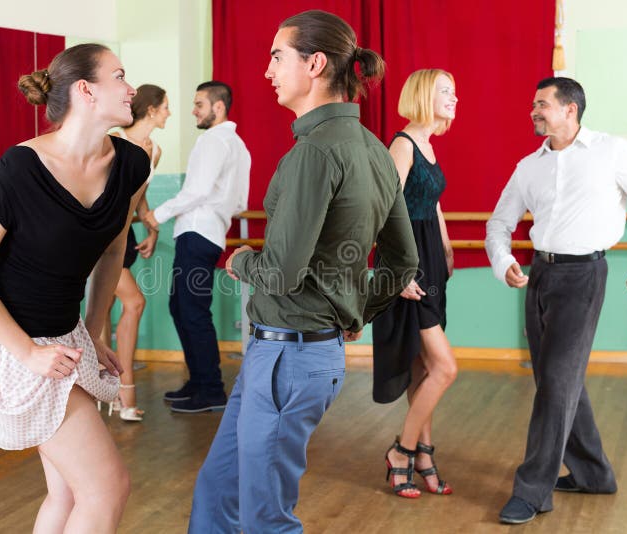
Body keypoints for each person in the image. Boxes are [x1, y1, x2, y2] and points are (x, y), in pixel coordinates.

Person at [188, 10, 419, 532]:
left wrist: (241, 260)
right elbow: (404, 262)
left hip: (287, 359)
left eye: (276, 56)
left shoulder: (314, 152)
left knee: (266, 519)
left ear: (315, 63)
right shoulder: (376, 151)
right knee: (218, 492)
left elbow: (281, 271)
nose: (267, 70)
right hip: (289, 355)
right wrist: (357, 308)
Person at [0, 43, 149, 532]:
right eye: (119, 76)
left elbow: (110, 252)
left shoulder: (130, 163)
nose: (131, 88)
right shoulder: (19, 169)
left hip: (66, 337)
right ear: (85, 90)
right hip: (10, 346)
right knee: (106, 487)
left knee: (66, 492)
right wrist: (28, 353)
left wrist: (95, 332)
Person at [486, 77, 627, 525]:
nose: (533, 111)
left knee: (556, 381)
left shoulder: (612, 151)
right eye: (533, 104)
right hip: (539, 276)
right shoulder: (528, 166)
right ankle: (593, 474)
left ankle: (532, 491)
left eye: (542, 104)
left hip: (584, 275)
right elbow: (499, 222)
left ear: (570, 109)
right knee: (557, 380)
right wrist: (502, 262)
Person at [371, 69, 458, 498]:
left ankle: (424, 454)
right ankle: (401, 451)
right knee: (445, 367)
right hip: (409, 264)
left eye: (454, 92)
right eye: (446, 91)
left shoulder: (428, 144)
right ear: (424, 95)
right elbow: (385, 209)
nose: (454, 98)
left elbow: (430, 203)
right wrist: (397, 271)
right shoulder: (402, 145)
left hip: (430, 260)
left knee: (423, 368)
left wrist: (445, 245)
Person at [144, 81, 250, 413]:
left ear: (218, 107)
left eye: (199, 104)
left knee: (192, 312)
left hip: (196, 234)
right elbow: (239, 203)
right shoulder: (239, 145)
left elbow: (198, 191)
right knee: (183, 308)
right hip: (210, 234)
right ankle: (199, 382)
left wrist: (155, 215)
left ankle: (212, 390)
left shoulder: (213, 140)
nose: (193, 110)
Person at [102, 83, 170, 421]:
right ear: (152, 110)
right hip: (103, 234)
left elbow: (139, 197)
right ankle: (125, 393)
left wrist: (152, 229)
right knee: (135, 301)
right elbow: (110, 195)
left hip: (125, 234)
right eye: (166, 107)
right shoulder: (114, 139)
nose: (170, 114)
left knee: (108, 305)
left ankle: (107, 390)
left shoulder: (154, 150)